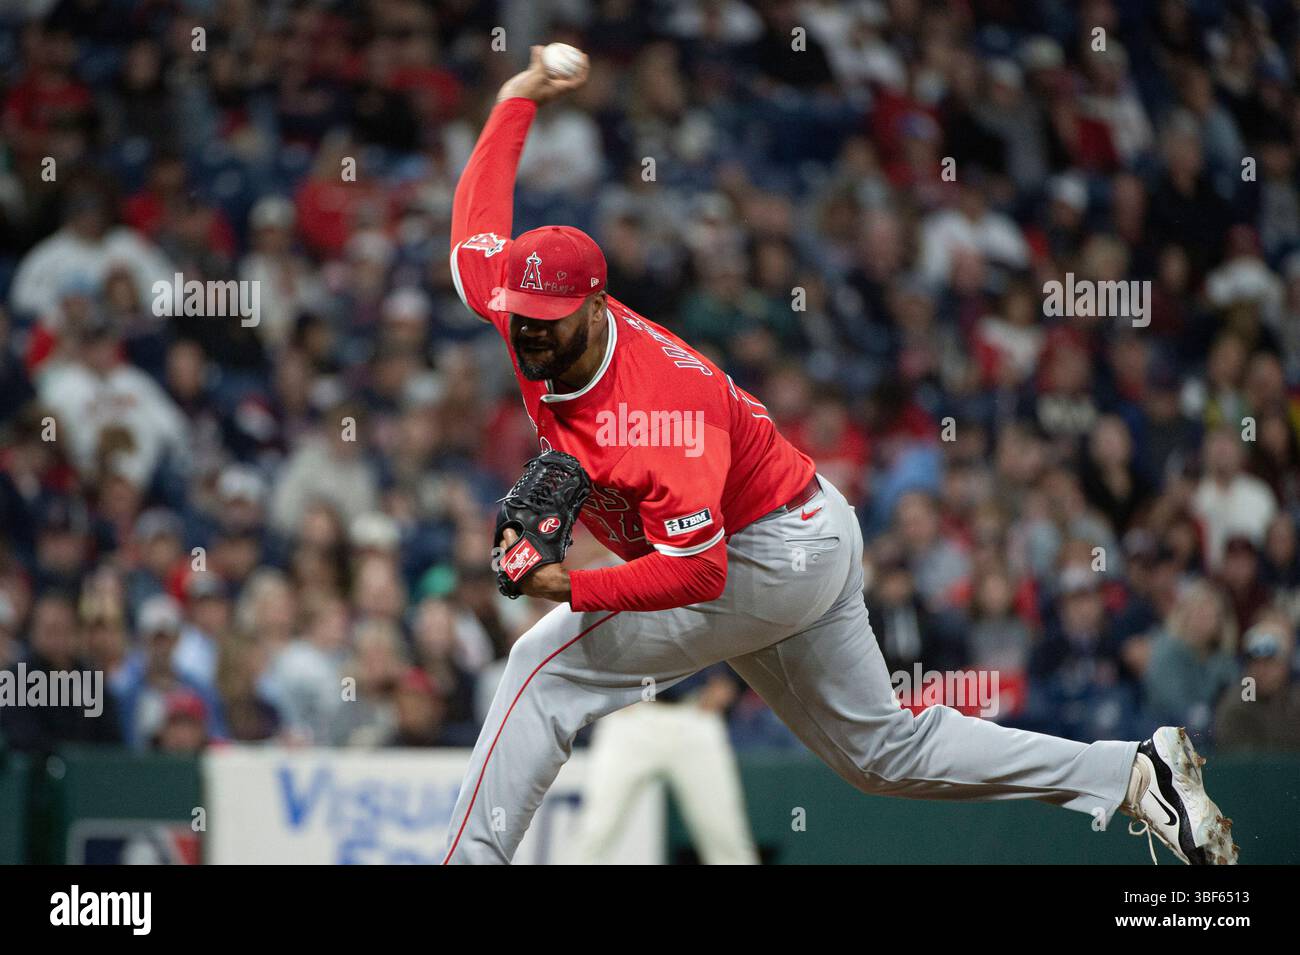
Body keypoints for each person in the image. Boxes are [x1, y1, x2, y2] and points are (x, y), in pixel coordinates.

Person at [440, 46, 1238, 866]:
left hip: (765, 553)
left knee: (542, 664)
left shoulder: (658, 407)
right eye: (521, 309)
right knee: (885, 756)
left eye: (549, 313)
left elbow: (700, 572)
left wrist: (569, 582)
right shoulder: (512, 302)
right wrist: (517, 94)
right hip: (799, 531)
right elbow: (475, 229)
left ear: (597, 303)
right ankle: (1134, 772)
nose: (529, 326)